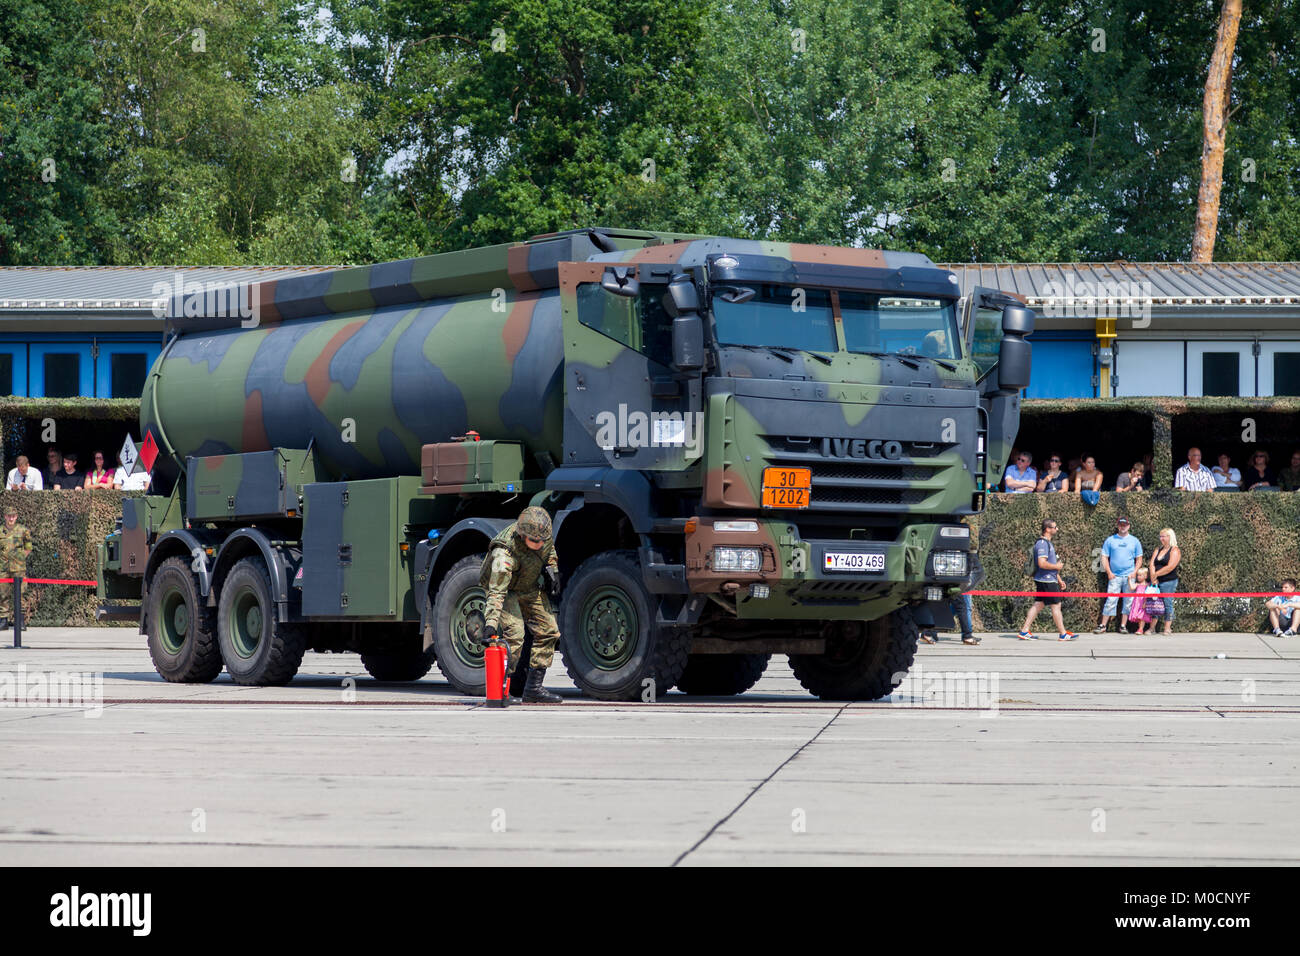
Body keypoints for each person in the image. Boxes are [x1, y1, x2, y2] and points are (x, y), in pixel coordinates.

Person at [479, 506, 564, 704]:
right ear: (522, 535)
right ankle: (502, 689)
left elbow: (549, 550)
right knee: (515, 635)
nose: (540, 543)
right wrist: (491, 622)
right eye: (535, 541)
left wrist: (553, 570)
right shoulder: (504, 554)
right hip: (505, 589)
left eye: (543, 540)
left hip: (528, 585)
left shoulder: (541, 535)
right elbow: (496, 591)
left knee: (549, 630)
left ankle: (533, 688)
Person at [1019, 519, 1077, 641]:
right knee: (1056, 605)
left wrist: (1059, 579)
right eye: (1055, 527)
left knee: (1038, 604)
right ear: (1047, 529)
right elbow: (1042, 563)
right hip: (1046, 581)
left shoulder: (1048, 543)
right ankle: (1062, 634)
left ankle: (1024, 631)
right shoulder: (1042, 544)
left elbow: (1051, 564)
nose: (1057, 529)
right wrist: (1057, 567)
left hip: (1048, 579)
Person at [1096, 516, 1143, 633]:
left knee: (1128, 602)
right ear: (1118, 526)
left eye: (1125, 525)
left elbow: (1139, 559)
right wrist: (1109, 572)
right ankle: (1103, 625)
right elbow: (1104, 557)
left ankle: (1123, 626)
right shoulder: (1110, 540)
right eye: (1121, 525)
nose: (1123, 527)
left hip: (1129, 577)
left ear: (1129, 526)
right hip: (1114, 576)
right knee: (1111, 600)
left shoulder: (1135, 541)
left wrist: (1134, 572)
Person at [0, 505, 32, 630]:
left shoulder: (23, 530)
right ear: (5, 517)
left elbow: (28, 547)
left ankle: (20, 621)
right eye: (9, 516)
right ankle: (3, 620)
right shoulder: (1, 530)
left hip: (18, 568)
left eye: (13, 516)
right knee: (2, 594)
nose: (11, 518)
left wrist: (20, 558)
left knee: (21, 594)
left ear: (16, 517)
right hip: (3, 568)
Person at [1148, 527, 1181, 635]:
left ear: (1170, 537)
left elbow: (1170, 566)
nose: (1161, 538)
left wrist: (1156, 574)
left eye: (1163, 536)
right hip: (1155, 582)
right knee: (1154, 604)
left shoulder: (1175, 550)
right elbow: (1152, 563)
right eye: (1160, 536)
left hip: (1168, 582)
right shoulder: (1158, 549)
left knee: (1167, 604)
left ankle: (1167, 628)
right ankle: (1152, 628)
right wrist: (1153, 577)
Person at [1125, 567, 1161, 635]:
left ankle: (1140, 629)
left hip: (1144, 602)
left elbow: (1152, 590)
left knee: (1142, 616)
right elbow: (1132, 587)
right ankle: (1140, 628)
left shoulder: (1148, 585)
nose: (1138, 577)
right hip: (1137, 603)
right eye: (1137, 575)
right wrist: (1129, 579)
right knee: (1138, 616)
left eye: (1140, 575)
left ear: (1145, 576)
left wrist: (1146, 602)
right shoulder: (1137, 584)